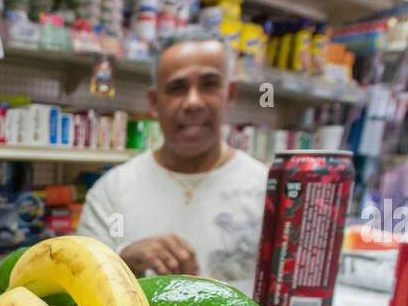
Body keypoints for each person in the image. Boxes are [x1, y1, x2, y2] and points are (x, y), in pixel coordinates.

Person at [76, 26, 267, 285]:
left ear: (230, 94)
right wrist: (124, 260)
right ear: (154, 102)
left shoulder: (267, 191)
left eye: (209, 85)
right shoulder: (112, 192)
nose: (193, 102)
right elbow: (80, 286)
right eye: (177, 88)